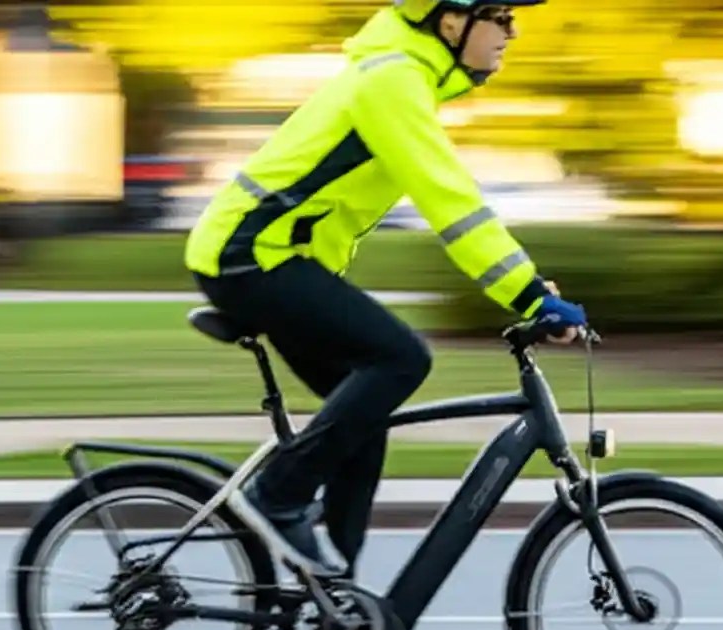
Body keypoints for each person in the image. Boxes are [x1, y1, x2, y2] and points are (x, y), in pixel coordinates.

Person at [184, 0, 588, 581]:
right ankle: (277, 493)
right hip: (247, 257)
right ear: (452, 21)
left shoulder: (404, 78)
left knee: (361, 421)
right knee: (402, 358)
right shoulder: (394, 81)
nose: (512, 30)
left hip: (270, 259)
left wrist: (529, 288)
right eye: (498, 16)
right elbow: (453, 204)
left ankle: (343, 607)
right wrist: (528, 295)